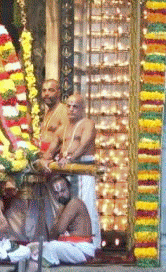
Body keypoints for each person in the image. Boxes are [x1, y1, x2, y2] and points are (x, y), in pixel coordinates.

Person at [58, 95, 100, 248]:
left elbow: (83, 145)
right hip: (66, 172)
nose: (71, 109)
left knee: (86, 205)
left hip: (82, 171)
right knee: (66, 207)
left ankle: (92, 246)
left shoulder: (88, 124)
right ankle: (71, 241)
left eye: (75, 106)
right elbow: (52, 147)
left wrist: (69, 159)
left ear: (83, 109)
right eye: (68, 106)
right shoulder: (63, 127)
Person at [27, 175, 95, 269]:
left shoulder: (74, 203)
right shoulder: (62, 208)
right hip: (70, 246)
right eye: (56, 193)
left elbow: (59, 229)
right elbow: (52, 235)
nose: (60, 195)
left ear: (69, 188)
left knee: (52, 246)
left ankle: (44, 260)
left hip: (82, 250)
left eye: (63, 191)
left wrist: (56, 231)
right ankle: (42, 257)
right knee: (34, 245)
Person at [40, 79, 69, 160]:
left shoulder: (63, 110)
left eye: (51, 90)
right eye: (44, 90)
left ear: (58, 92)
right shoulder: (47, 112)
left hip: (53, 159)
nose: (46, 94)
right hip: (43, 156)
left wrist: (50, 154)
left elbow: (64, 139)